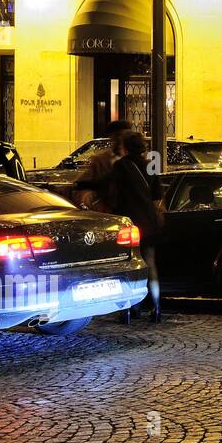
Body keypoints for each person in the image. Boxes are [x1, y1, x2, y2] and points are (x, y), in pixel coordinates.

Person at [77, 130, 165, 322]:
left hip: (130, 222)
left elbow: (104, 184)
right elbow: (158, 196)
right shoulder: (151, 165)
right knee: (150, 265)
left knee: (129, 264)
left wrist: (81, 185)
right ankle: (157, 308)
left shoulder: (121, 165)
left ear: (125, 147)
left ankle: (131, 310)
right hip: (150, 223)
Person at [72, 119, 133, 213]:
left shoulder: (134, 159)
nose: (120, 140)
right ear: (112, 138)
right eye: (117, 136)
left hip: (130, 208)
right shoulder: (101, 160)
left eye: (123, 137)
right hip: (111, 209)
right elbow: (84, 183)